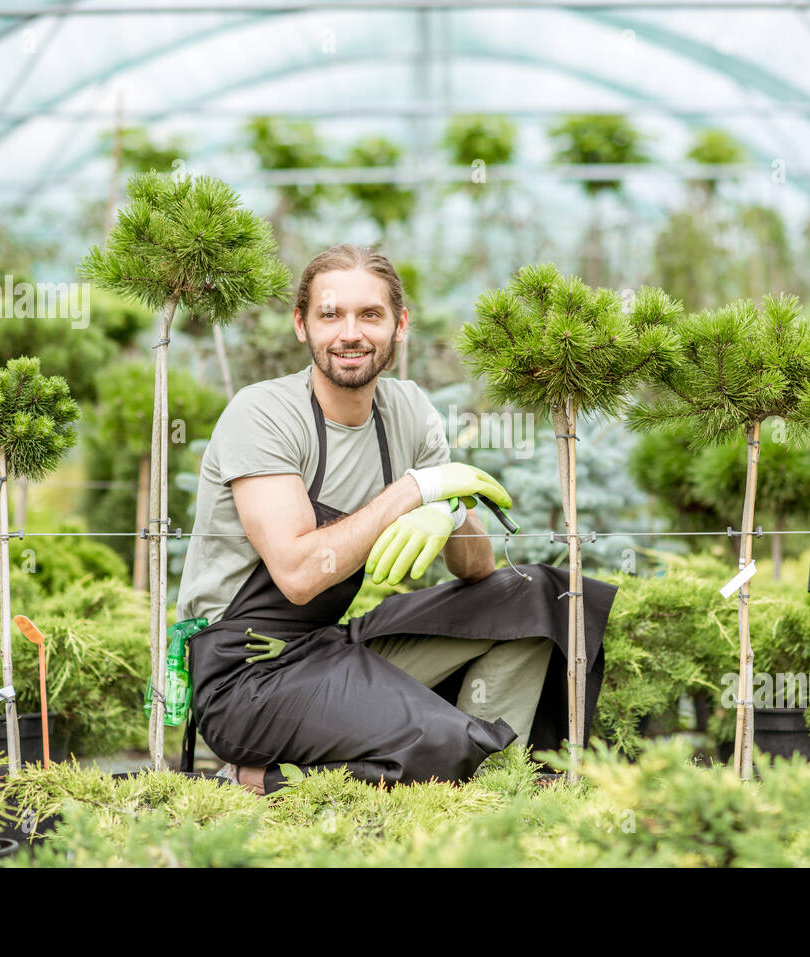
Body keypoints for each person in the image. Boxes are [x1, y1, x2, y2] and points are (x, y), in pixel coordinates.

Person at [175, 242, 618, 794]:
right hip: (248, 675)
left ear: (399, 325)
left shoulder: (407, 410)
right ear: (301, 325)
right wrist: (417, 488)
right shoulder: (263, 413)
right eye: (330, 314)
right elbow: (297, 573)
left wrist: (449, 510)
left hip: (327, 644)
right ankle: (261, 778)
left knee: (539, 593)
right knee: (440, 744)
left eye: (371, 315)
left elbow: (476, 570)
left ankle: (500, 771)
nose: (350, 333)